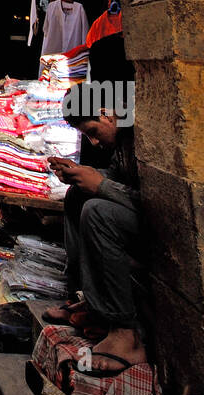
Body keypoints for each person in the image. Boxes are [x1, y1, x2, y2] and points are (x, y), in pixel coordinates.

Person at [44, 83, 146, 375]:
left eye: (92, 131)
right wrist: (81, 176)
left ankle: (126, 334)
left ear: (106, 115)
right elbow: (121, 179)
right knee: (79, 195)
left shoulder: (143, 133)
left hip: (160, 233)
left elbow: (158, 205)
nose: (94, 142)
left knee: (98, 211)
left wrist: (100, 184)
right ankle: (86, 298)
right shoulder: (122, 140)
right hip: (136, 221)